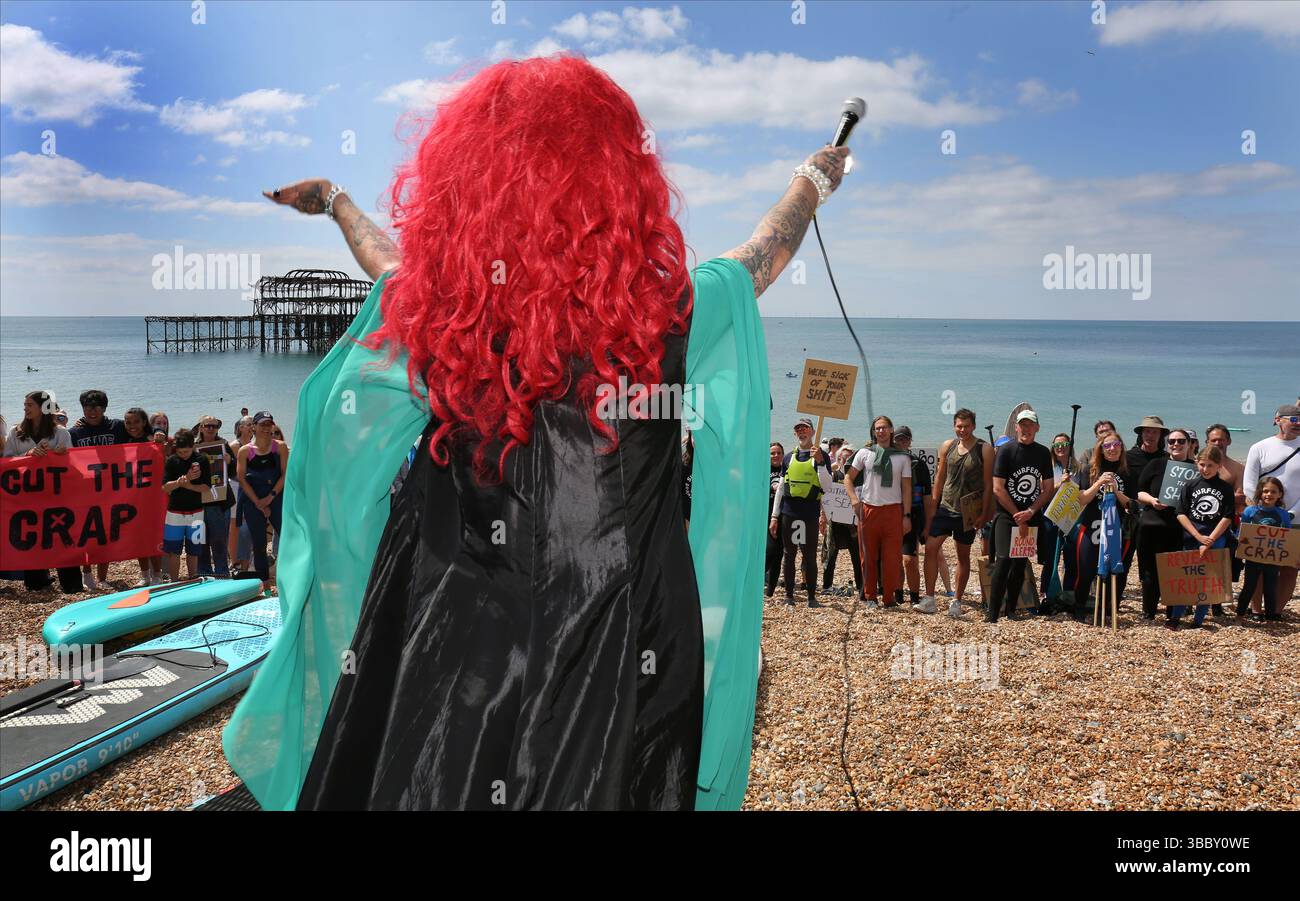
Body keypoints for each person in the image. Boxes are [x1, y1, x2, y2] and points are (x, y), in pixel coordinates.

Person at [225, 56, 850, 811]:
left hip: (453, 615)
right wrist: (813, 178)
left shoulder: (438, 315)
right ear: (621, 179)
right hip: (621, 623)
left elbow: (384, 260)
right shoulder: (670, 311)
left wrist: (335, 201)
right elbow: (760, 257)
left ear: (466, 184)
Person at [3, 391, 82, 593]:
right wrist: (28, 455)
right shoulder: (15, 432)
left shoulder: (62, 433)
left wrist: (61, 455)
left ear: (43, 407)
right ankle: (37, 581)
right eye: (25, 404)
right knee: (32, 537)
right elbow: (7, 462)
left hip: (57, 496)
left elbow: (73, 467)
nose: (25, 408)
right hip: (28, 497)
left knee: (63, 538)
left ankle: (71, 584)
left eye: (30, 404)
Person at [922, 409, 994, 617]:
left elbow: (989, 484)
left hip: (968, 510)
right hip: (945, 507)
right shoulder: (948, 446)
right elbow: (940, 477)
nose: (962, 430)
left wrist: (984, 513)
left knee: (963, 556)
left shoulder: (985, 449)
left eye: (966, 426)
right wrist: (933, 507)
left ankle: (957, 601)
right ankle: (929, 599)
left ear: (973, 426)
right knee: (930, 548)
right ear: (954, 426)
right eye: (959, 426)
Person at [985, 410, 1054, 622]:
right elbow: (998, 488)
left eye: (1030, 425)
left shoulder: (1043, 453)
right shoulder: (1006, 451)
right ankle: (993, 613)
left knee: (1019, 562)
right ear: (1016, 427)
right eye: (1022, 425)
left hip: (1030, 514)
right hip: (1007, 515)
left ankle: (1012, 609)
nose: (1026, 429)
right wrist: (1017, 514)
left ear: (1037, 428)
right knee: (1004, 559)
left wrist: (1031, 512)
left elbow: (1048, 488)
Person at [844, 416, 912, 610]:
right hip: (868, 510)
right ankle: (870, 596)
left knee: (892, 559)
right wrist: (854, 500)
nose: (881, 431)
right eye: (877, 428)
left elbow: (906, 488)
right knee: (868, 557)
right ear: (874, 432)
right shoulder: (864, 453)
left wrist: (907, 516)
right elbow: (848, 479)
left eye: (884, 428)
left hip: (893, 511)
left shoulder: (902, 457)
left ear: (891, 430)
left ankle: (889, 598)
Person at [1063, 431, 1132, 620]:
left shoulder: (1126, 471)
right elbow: (1082, 499)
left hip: (1115, 528)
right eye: (1107, 446)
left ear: (1121, 447)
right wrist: (1099, 483)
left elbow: (1130, 504)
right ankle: (1079, 607)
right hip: (1091, 526)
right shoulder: (1088, 470)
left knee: (1111, 572)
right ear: (1100, 449)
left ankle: (1105, 610)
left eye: (1116, 445)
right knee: (1085, 570)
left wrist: (1116, 491)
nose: (1112, 449)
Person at [1242, 403, 1300, 616]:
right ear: (1278, 420)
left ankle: (1275, 611)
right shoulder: (1259, 447)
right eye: (1293, 419)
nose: (1298, 423)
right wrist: (1263, 509)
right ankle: (1257, 610)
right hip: (1262, 516)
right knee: (1258, 565)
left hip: (1295, 519)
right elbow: (1249, 484)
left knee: (1289, 567)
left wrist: (1289, 514)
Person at [69, 389, 129, 590]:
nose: (92, 411)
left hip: (111, 489)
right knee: (86, 532)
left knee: (107, 533)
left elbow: (141, 431)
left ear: (104, 408)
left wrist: (160, 434)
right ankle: (87, 574)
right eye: (87, 407)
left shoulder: (117, 427)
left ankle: (102, 577)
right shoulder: (74, 432)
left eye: (96, 407)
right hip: (84, 491)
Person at [1169, 446, 1235, 629]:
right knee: (1186, 578)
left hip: (1216, 537)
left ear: (1219, 465)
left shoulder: (1225, 488)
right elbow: (1181, 513)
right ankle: (1175, 617)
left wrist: (1210, 540)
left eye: (1210, 466)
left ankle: (1198, 621)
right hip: (1192, 536)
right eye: (1202, 464)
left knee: (1208, 581)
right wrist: (1198, 536)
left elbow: (1227, 517)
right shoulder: (1190, 485)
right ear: (1197, 463)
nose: (1205, 469)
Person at [771, 417, 832, 607]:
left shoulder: (821, 456)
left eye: (805, 429)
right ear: (795, 433)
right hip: (789, 513)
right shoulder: (789, 457)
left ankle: (812, 597)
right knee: (789, 554)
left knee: (809, 555)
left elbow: (827, 486)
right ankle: (789, 596)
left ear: (813, 432)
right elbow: (781, 487)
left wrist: (821, 463)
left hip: (809, 514)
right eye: (798, 429)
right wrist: (774, 516)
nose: (801, 432)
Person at [1134, 428, 1193, 620]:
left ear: (1189, 444)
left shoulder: (1196, 469)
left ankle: (1172, 612)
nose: (1176, 445)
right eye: (1172, 441)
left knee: (1174, 571)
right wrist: (1152, 500)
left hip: (1179, 529)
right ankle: (1148, 611)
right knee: (1150, 571)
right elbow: (1139, 492)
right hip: (1152, 525)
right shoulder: (1156, 464)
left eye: (1181, 441)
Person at [236, 411, 288, 594]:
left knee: (289, 538)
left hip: (275, 497)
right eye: (263, 425)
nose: (266, 428)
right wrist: (259, 502)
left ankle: (289, 578)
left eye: (269, 424)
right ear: (254, 427)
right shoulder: (245, 451)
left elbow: (284, 474)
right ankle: (265, 586)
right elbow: (241, 479)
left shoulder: (280, 447)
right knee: (258, 544)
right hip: (253, 501)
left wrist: (270, 498)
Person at [1125, 415, 1169, 602]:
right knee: (1125, 560)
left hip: (1155, 517)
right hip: (1129, 513)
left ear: (1161, 436)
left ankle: (1154, 600)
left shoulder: (1166, 459)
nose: (1150, 435)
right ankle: (1115, 601)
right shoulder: (1128, 457)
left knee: (1153, 563)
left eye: (1154, 432)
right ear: (1141, 434)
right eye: (1147, 431)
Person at [1236, 477, 1291, 621]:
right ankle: (1239, 614)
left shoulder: (1283, 514)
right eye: (1265, 491)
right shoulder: (1250, 511)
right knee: (1249, 587)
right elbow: (1242, 532)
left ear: (1280, 494)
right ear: (1260, 492)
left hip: (1273, 559)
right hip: (1253, 558)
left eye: (1273, 492)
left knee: (1270, 588)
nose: (1269, 494)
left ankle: (1270, 617)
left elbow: (1287, 537)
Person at [161, 428, 212, 583]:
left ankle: (193, 579)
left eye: (186, 452)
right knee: (173, 551)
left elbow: (206, 488)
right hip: (174, 514)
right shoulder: (171, 461)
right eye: (180, 452)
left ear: (193, 447)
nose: (183, 455)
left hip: (196, 513)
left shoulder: (202, 460)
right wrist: (179, 482)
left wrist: (188, 484)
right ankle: (174, 581)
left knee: (194, 550)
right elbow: (165, 487)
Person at [892, 426, 934, 609]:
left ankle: (915, 596)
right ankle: (898, 594)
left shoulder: (919, 464)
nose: (901, 443)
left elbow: (927, 497)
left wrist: (927, 525)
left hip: (914, 515)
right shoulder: (888, 463)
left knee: (909, 559)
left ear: (910, 442)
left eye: (905, 440)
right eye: (898, 440)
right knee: (894, 558)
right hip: (892, 514)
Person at [122, 407, 164, 585]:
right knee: (138, 537)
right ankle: (144, 574)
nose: (132, 426)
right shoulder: (123, 439)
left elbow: (164, 455)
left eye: (136, 422)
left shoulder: (152, 439)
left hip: (151, 496)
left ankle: (157, 574)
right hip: (131, 495)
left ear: (144, 422)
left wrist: (159, 433)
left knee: (152, 536)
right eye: (128, 422)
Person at [195, 415, 236, 578]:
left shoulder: (224, 445)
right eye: (207, 425)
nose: (211, 429)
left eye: (214, 426)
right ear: (201, 427)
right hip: (199, 501)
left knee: (219, 541)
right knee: (200, 540)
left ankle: (221, 573)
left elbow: (233, 473)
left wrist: (230, 461)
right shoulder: (193, 446)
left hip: (220, 501)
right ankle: (203, 572)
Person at [820, 443, 862, 597]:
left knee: (857, 557)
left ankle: (861, 585)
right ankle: (827, 585)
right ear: (838, 459)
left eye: (850, 458)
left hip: (853, 525)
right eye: (843, 457)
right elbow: (823, 498)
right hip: (835, 524)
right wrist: (823, 517)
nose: (847, 460)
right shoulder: (833, 476)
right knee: (830, 555)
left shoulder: (859, 478)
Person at [766, 442, 786, 596]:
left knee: (778, 553)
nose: (776, 456)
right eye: (772, 453)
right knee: (769, 550)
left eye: (778, 453)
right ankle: (757, 580)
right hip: (765, 516)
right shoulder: (763, 470)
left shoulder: (787, 470)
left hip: (782, 516)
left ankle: (771, 589)